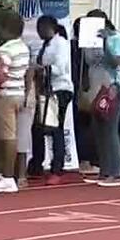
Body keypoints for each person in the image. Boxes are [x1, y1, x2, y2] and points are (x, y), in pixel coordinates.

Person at [81, 10, 120, 187]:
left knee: (110, 129)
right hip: (96, 86)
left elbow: (116, 62)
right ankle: (104, 170)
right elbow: (88, 64)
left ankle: (115, 173)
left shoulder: (117, 38)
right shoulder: (89, 40)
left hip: (113, 86)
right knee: (98, 130)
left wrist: (106, 41)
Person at [28, 16, 75, 185]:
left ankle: (57, 168)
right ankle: (37, 163)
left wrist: (42, 69)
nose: (39, 32)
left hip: (59, 90)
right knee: (38, 128)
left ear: (50, 28)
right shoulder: (46, 45)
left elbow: (61, 68)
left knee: (56, 128)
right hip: (46, 90)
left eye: (42, 28)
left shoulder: (60, 44)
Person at [0, 14, 30, 194]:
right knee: (6, 134)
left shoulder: (5, 50)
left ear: (6, 29)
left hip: (5, 94)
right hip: (19, 93)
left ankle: (7, 177)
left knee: (7, 136)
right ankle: (1, 175)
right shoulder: (23, 47)